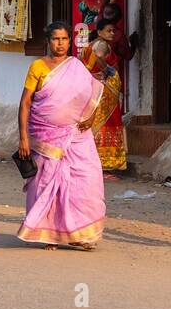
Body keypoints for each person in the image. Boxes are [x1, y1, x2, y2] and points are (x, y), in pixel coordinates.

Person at [17, 23, 106, 250]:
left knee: (85, 182)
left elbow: (92, 93)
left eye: (65, 39)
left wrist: (92, 117)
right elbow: (26, 102)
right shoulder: (37, 67)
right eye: (56, 39)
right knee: (47, 185)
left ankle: (78, 234)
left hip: (77, 136)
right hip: (45, 135)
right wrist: (23, 138)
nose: (60, 43)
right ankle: (50, 234)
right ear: (48, 41)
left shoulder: (76, 66)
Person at [82, 18, 127, 175]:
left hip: (98, 90)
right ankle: (104, 166)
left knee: (97, 123)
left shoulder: (93, 44)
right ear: (99, 31)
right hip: (104, 92)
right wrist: (108, 70)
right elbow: (98, 58)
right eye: (109, 30)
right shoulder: (101, 45)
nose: (112, 33)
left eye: (113, 30)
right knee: (105, 123)